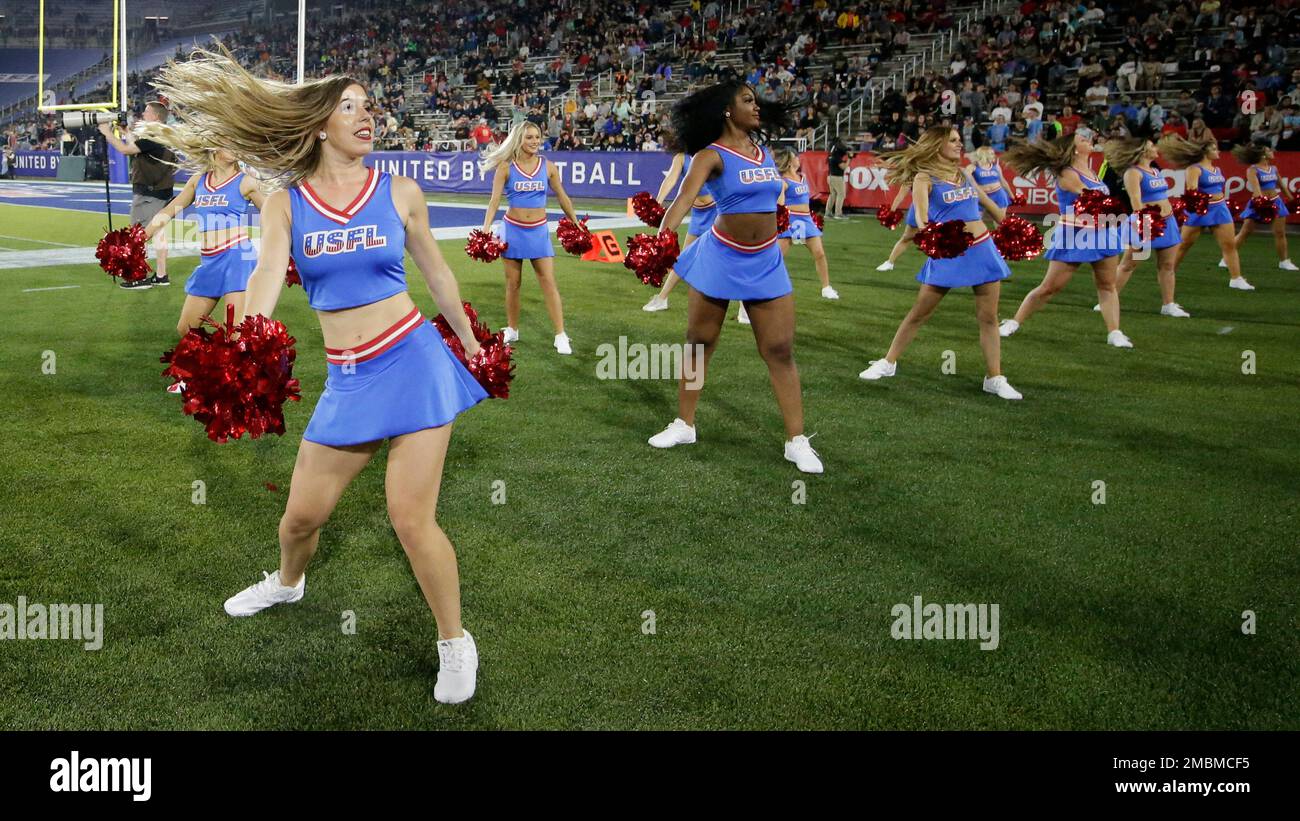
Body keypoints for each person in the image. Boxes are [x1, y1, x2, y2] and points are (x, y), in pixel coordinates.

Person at [139, 48, 488, 704]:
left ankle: (454, 640)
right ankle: (289, 581)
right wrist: (243, 345)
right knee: (300, 518)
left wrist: (469, 342)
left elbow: (437, 272)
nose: (366, 115)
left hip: (413, 361)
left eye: (368, 106)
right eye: (349, 106)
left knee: (410, 517)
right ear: (319, 124)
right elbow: (267, 274)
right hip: (348, 378)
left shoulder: (400, 191)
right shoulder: (285, 205)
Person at [645, 80, 824, 474]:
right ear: (727, 110)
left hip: (765, 260)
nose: (756, 106)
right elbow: (685, 200)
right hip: (720, 257)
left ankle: (796, 441)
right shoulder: (710, 155)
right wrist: (660, 240)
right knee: (699, 344)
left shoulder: (764, 153)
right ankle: (684, 424)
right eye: (747, 100)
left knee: (779, 349)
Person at [859, 126, 1022, 400]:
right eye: (954, 141)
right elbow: (922, 217)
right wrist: (936, 234)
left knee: (989, 317)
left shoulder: (964, 174)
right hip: (949, 251)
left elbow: (991, 208)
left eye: (960, 140)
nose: (960, 144)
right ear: (937, 145)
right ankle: (888, 362)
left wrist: (1013, 229)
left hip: (982, 249)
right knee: (919, 313)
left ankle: (994, 378)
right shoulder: (925, 177)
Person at [138, 148, 268, 393]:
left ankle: (239, 387)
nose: (233, 146)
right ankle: (199, 375)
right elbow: (170, 210)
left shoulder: (246, 182)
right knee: (186, 327)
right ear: (213, 145)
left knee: (235, 333)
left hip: (237, 259)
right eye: (226, 140)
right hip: (209, 262)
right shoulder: (198, 180)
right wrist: (140, 238)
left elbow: (273, 213)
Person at [999, 131, 1133, 347]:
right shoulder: (1067, 174)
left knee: (1107, 286)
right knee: (1049, 287)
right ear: (1074, 149)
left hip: (1103, 233)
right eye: (1083, 139)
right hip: (1075, 234)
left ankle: (1114, 333)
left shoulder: (1092, 171)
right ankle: (1013, 322)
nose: (1089, 141)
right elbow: (1090, 199)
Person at [479, 121, 583, 354]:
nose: (535, 141)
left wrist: (576, 222)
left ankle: (560, 334)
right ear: (519, 140)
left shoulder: (548, 166)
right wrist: (485, 229)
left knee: (548, 281)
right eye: (529, 138)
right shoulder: (506, 167)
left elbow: (563, 197)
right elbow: (494, 201)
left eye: (537, 137)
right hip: (512, 229)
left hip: (538, 230)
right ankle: (512, 329)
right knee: (513, 284)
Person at [1107, 138, 1190, 317]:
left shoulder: (1154, 170)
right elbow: (1136, 200)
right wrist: (1147, 222)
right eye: (1152, 145)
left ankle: (1168, 305)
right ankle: (1107, 300)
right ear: (1142, 150)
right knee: (1129, 264)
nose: (1156, 148)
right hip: (1146, 223)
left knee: (1167, 265)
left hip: (1168, 223)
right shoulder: (1133, 173)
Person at [98, 102, 175, 289]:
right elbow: (138, 146)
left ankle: (138, 276)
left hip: (149, 193)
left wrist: (108, 134)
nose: (143, 114)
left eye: (147, 112)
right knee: (158, 233)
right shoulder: (164, 133)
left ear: (156, 116)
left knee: (138, 234)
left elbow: (126, 150)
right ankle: (162, 275)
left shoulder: (153, 134)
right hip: (162, 192)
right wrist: (125, 133)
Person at [1161, 136, 1253, 289]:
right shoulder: (1194, 169)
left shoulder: (1217, 169)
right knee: (1184, 245)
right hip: (1200, 210)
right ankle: (1168, 272)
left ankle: (1236, 278)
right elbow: (1192, 191)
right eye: (1214, 149)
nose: (1218, 151)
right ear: (1205, 152)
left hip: (1220, 209)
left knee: (1229, 244)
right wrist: (1203, 202)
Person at [641, 150, 719, 314]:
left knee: (731, 256)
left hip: (717, 211)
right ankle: (662, 299)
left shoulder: (712, 153)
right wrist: (657, 203)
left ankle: (744, 309)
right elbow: (670, 179)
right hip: (698, 213)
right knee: (684, 258)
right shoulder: (682, 158)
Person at [773, 148, 837, 299]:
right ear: (789, 162)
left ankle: (826, 288)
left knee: (820, 254)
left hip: (806, 219)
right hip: (791, 220)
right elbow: (780, 204)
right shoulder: (783, 182)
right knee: (777, 258)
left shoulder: (802, 177)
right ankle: (769, 286)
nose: (798, 159)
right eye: (795, 157)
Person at [1228, 142, 1296, 270]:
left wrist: (1292, 199)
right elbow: (1256, 188)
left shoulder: (1274, 169)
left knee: (1280, 232)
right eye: (1269, 150)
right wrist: (1262, 202)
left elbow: (1281, 185)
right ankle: (1227, 257)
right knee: (1245, 232)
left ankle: (1284, 261)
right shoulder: (1252, 170)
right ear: (1263, 155)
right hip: (1259, 203)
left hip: (1276, 201)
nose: (1272, 152)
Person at [825, 137, 853, 219]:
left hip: (830, 177)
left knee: (833, 195)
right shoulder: (836, 156)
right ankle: (838, 213)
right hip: (836, 177)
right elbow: (843, 167)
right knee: (841, 194)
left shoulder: (831, 154)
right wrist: (849, 159)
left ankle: (828, 212)